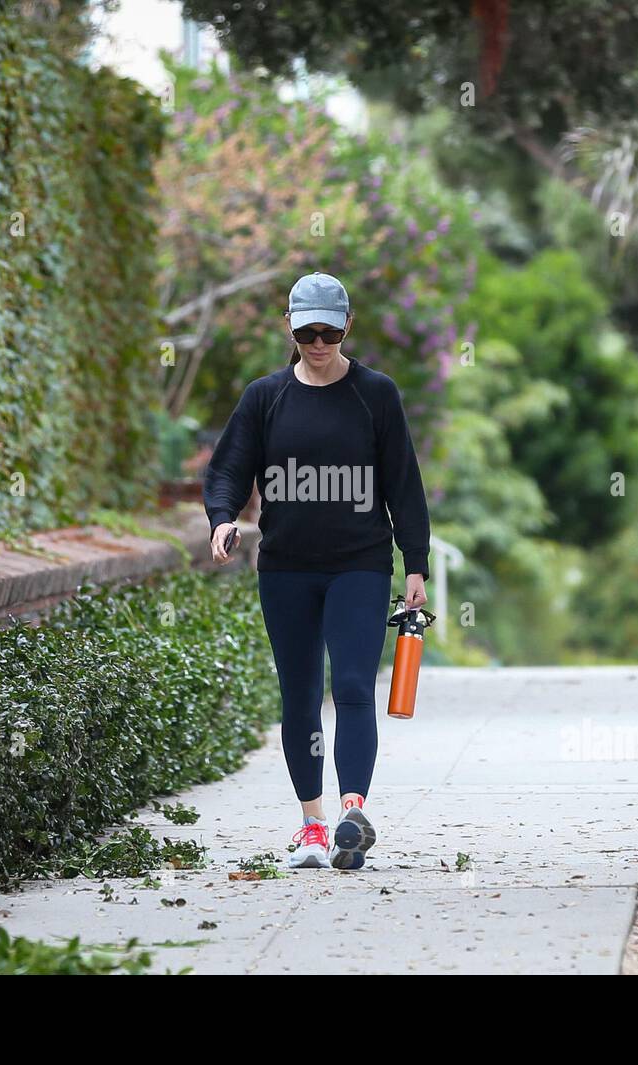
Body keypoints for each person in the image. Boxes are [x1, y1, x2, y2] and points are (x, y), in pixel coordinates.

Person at [203, 271, 431, 871]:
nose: (320, 342)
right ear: (291, 329)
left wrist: (416, 565)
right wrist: (223, 518)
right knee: (299, 695)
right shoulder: (265, 396)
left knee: (354, 684)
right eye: (308, 332)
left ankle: (353, 812)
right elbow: (228, 468)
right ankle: (312, 825)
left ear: (348, 326)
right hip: (286, 569)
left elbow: (404, 484)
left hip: (359, 564)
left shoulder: (375, 394)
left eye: (331, 330)